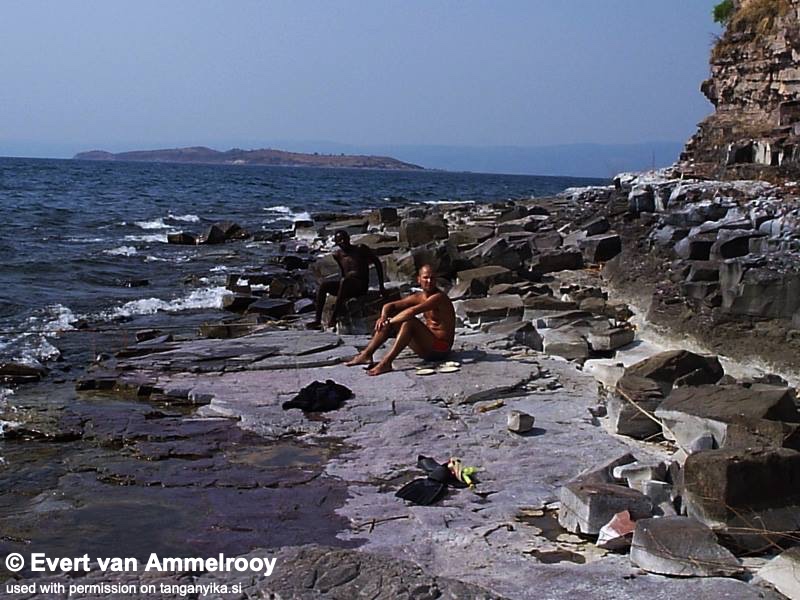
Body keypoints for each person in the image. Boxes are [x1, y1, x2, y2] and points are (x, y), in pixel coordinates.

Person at [345, 264, 456, 376]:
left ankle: (386, 363)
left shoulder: (439, 297)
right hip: (425, 347)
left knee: (409, 322)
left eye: (432, 278)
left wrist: (389, 322)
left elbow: (411, 311)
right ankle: (366, 354)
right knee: (393, 316)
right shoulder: (419, 296)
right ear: (419, 279)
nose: (429, 281)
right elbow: (390, 306)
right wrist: (383, 317)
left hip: (441, 349)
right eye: (426, 278)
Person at [307, 230, 386, 330]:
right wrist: (341, 287)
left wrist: (381, 286)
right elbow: (343, 272)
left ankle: (333, 318)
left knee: (345, 282)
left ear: (349, 239)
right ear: (336, 242)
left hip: (360, 285)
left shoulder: (360, 249)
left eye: (345, 238)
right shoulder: (338, 255)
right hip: (347, 286)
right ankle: (317, 321)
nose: (343, 241)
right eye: (340, 240)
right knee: (324, 285)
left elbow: (377, 263)